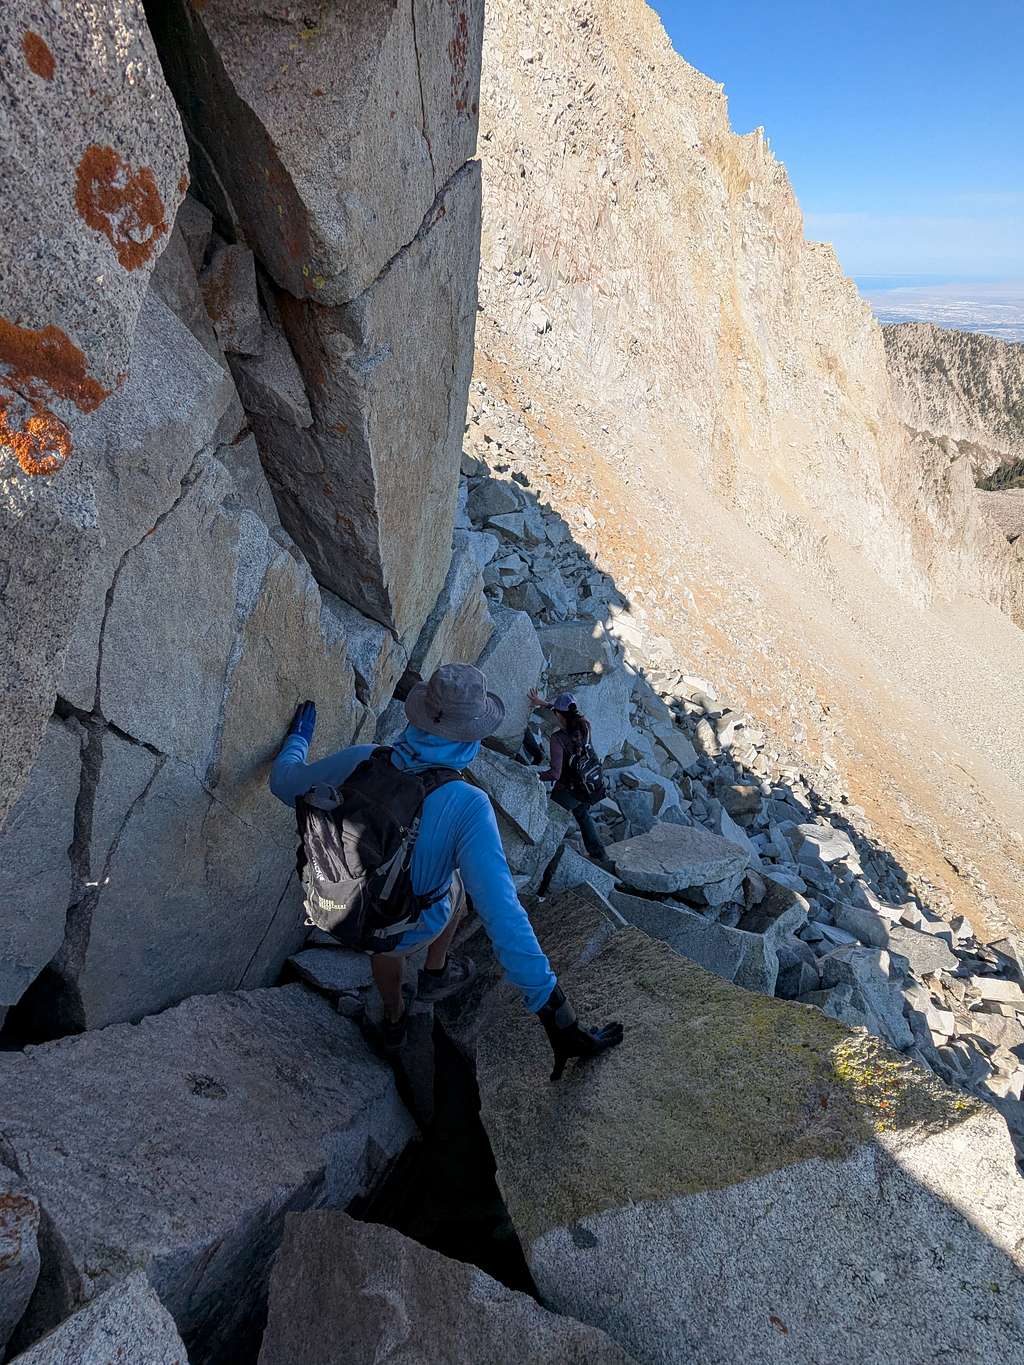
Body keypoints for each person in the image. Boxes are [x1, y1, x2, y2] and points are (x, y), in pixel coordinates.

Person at [270, 663, 623, 1079]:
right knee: (452, 891)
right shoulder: (468, 806)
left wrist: (298, 739)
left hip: (345, 899)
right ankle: (434, 973)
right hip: (410, 921)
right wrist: (559, 1021)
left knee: (388, 942)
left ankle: (394, 1019)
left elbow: (284, 783)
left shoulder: (363, 760)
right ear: (471, 737)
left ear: (418, 718)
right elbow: (504, 917)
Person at [527, 688, 609, 866]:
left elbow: (555, 774)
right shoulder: (585, 724)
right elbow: (564, 713)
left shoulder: (558, 739)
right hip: (591, 785)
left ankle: (539, 857)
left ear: (558, 714)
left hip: (569, 790)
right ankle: (599, 854)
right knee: (582, 813)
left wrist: (533, 775)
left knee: (549, 819)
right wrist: (542, 703)